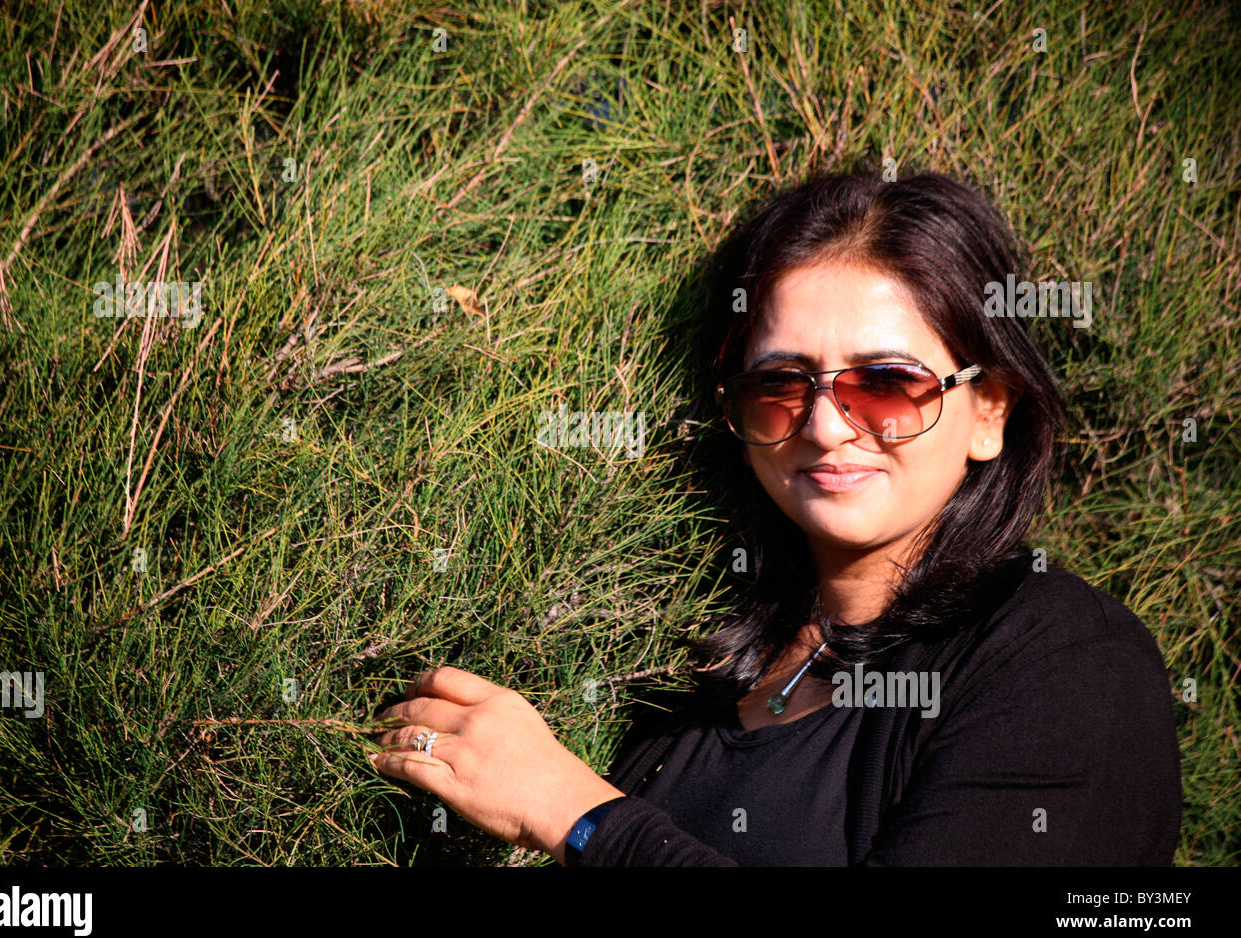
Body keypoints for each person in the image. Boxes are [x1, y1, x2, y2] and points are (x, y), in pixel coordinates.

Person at [369, 171, 1183, 866]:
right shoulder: (699, 656)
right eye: (782, 385)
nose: (827, 426)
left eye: (888, 384)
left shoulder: (1071, 665)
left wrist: (579, 815)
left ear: (990, 413)